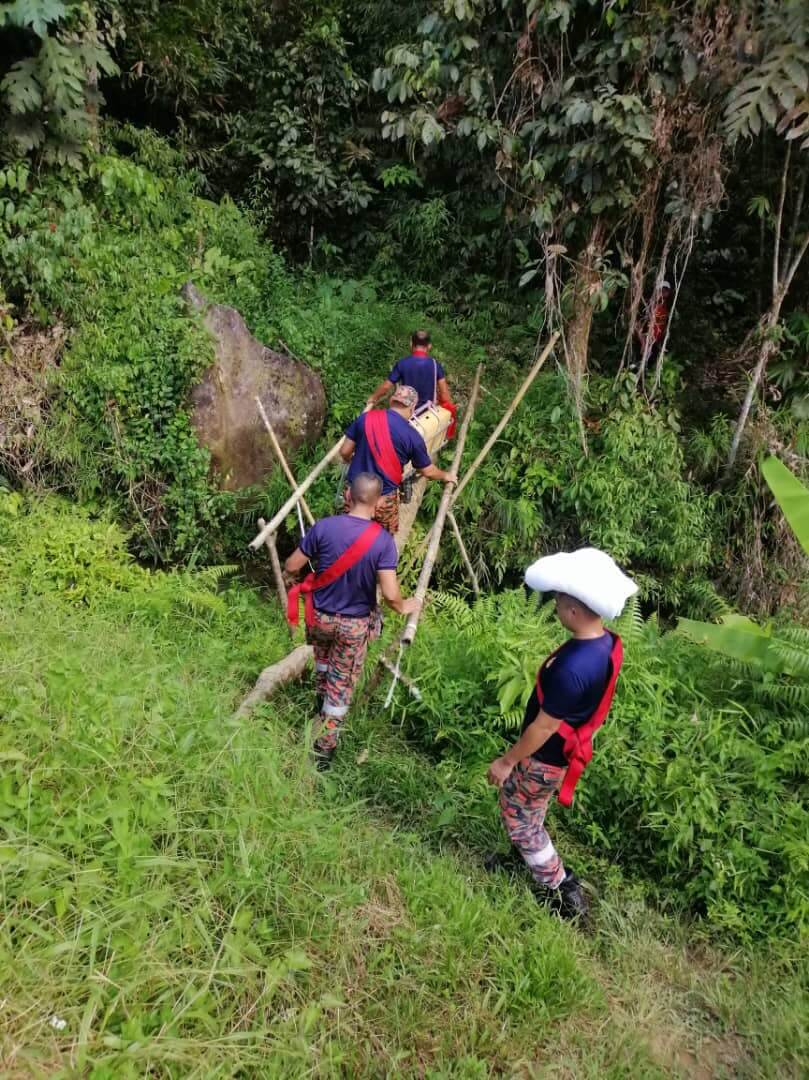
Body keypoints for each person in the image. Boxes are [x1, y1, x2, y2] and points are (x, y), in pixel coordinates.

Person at [485, 548, 637, 921]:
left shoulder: (574, 668)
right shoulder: (603, 644)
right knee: (528, 811)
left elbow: (545, 726)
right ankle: (526, 859)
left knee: (519, 816)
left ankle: (561, 889)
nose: (555, 607)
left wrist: (508, 761)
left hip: (544, 757)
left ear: (573, 610)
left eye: (558, 602)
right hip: (558, 754)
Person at [284, 473, 421, 769]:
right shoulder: (383, 542)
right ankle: (323, 750)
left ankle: (319, 704)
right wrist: (407, 605)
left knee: (322, 660)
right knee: (341, 682)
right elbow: (390, 594)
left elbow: (292, 565)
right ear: (379, 504)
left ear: (348, 495)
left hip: (319, 617)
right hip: (353, 625)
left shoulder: (324, 527)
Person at [340, 384, 456, 534]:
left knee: (348, 533)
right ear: (412, 407)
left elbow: (344, 451)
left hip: (354, 494)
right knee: (383, 536)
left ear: (391, 401)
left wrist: (352, 459)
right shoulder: (413, 437)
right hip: (383, 500)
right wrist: (446, 475)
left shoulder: (365, 418)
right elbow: (428, 471)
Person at [366, 329, 453, 413]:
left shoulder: (402, 363)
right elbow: (444, 394)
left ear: (411, 344)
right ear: (429, 346)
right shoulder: (435, 365)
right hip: (427, 414)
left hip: (406, 413)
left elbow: (386, 387)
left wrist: (373, 398)